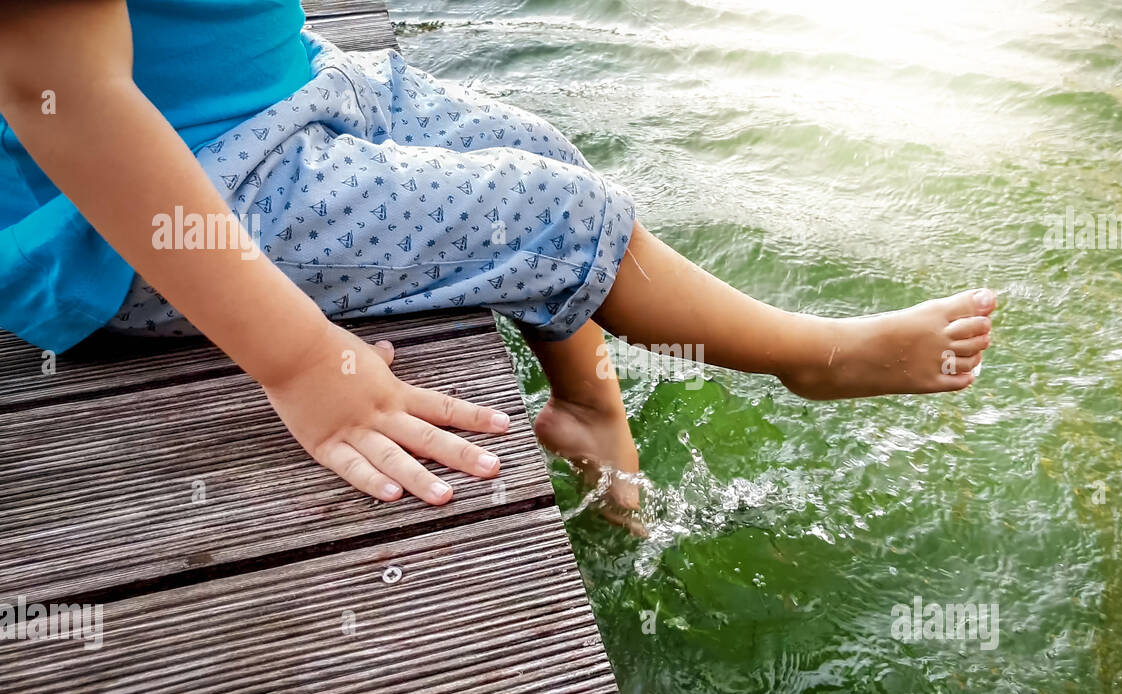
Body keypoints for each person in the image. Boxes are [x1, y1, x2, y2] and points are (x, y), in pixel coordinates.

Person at [0, 0, 995, 518]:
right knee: (555, 216)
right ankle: (807, 356)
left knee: (536, 149)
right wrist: (302, 360)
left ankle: (585, 406)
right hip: (135, 212)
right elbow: (60, 92)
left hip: (290, 91)